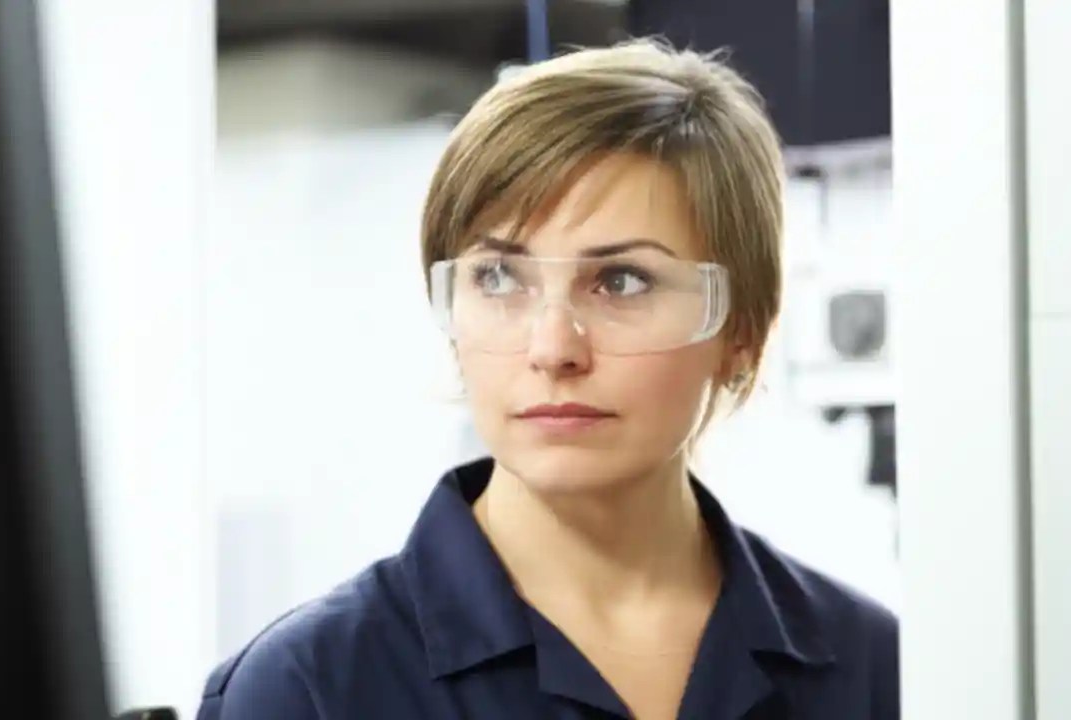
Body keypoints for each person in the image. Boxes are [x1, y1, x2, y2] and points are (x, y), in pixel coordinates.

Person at [197, 38, 899, 720]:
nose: (553, 348)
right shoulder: (310, 691)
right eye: (500, 278)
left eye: (621, 281)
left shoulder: (876, 672)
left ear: (742, 328)